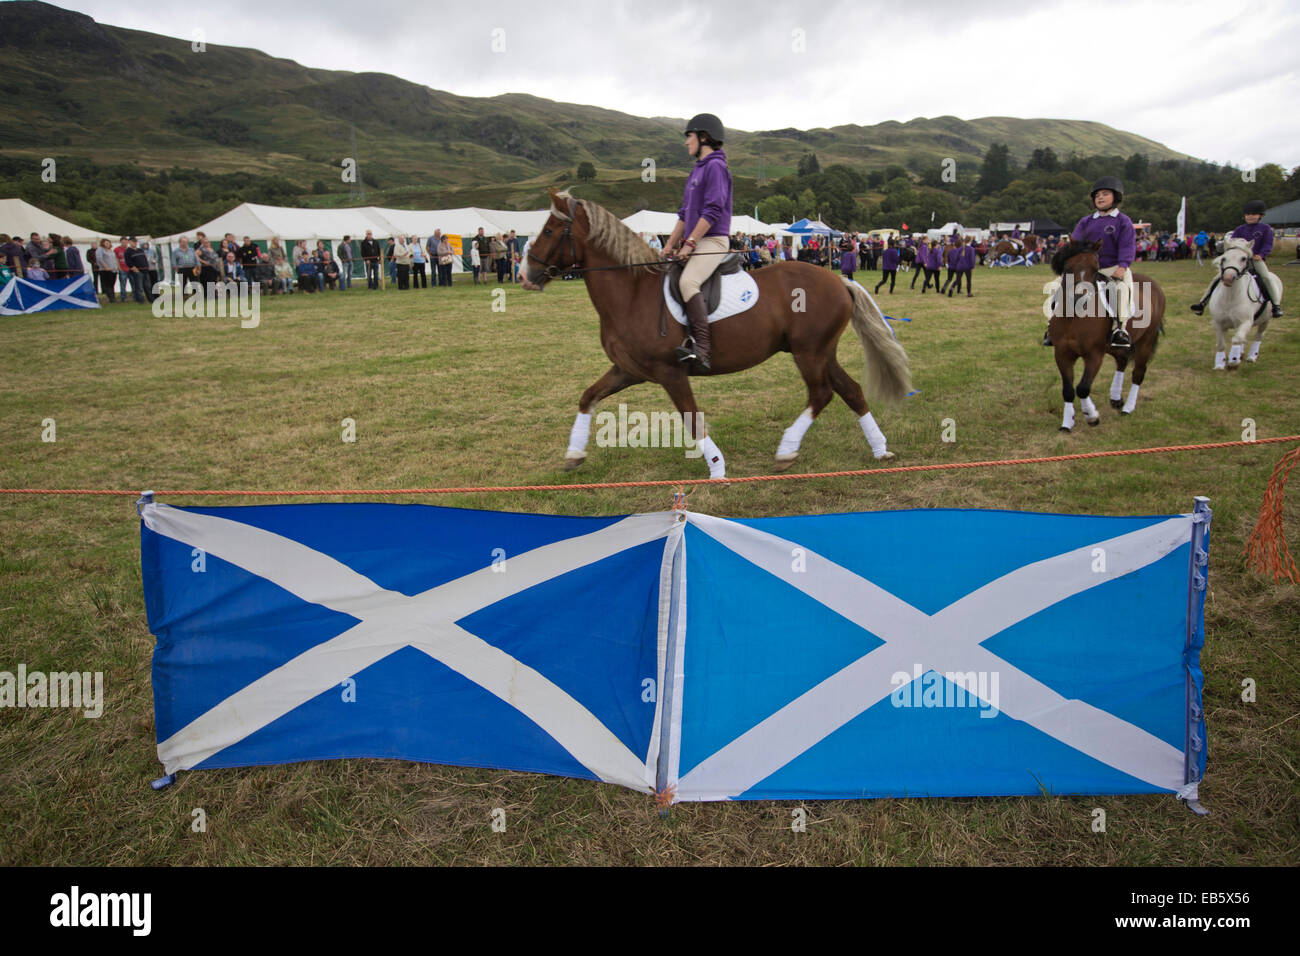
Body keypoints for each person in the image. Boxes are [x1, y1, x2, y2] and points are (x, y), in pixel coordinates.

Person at [663, 112, 732, 372]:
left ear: (704, 137)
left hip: (712, 241)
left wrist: (689, 244)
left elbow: (712, 211)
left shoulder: (716, 166)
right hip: (697, 240)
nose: (686, 142)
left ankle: (702, 350)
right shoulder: (697, 169)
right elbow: (684, 214)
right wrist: (669, 245)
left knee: (688, 281)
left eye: (689, 136)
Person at [1043, 176, 1136, 348]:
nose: (1100, 197)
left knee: (1122, 289)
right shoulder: (1086, 221)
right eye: (1097, 195)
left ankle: (1119, 329)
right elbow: (1075, 244)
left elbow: (1127, 245)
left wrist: (1123, 266)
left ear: (1116, 197)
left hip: (1113, 267)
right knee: (1055, 287)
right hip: (1087, 269)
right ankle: (1052, 327)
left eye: (1105, 194)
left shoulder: (1123, 221)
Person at [1190, 200, 1283, 318]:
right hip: (1238, 262)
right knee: (1217, 278)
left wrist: (1261, 254)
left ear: (1261, 216)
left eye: (1253, 214)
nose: (1250, 217)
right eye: (1247, 214)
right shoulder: (1240, 229)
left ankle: (1276, 305)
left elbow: (1268, 244)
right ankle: (1202, 303)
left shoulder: (1265, 229)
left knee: (1266, 278)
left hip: (1255, 260)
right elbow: (1232, 243)